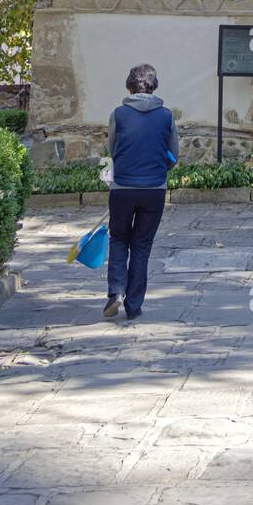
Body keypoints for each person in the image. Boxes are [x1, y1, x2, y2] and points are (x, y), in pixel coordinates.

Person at [103, 64, 178, 321]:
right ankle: (133, 305)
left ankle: (116, 292)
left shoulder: (118, 114)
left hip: (123, 187)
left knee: (119, 238)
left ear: (129, 86)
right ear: (154, 86)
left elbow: (113, 149)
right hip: (154, 189)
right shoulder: (167, 116)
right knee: (142, 245)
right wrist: (159, 167)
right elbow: (174, 155)